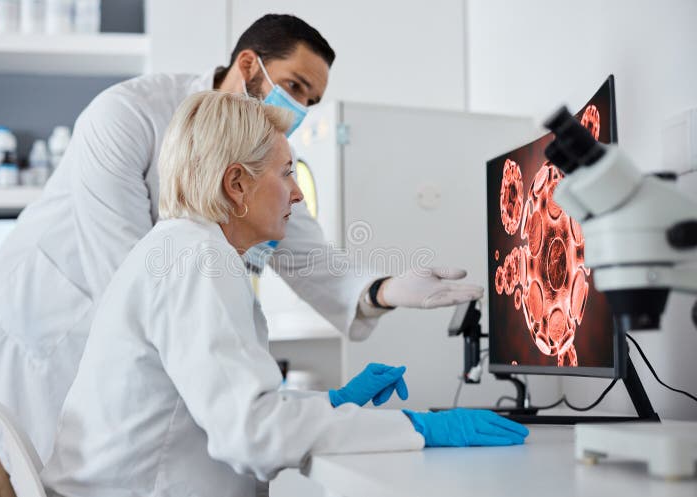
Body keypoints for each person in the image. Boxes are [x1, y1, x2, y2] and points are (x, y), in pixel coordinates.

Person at [0, 14, 484, 471]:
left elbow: (306, 253)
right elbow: (133, 276)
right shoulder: (129, 118)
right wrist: (411, 427)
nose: (300, 109)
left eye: (311, 100)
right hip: (42, 334)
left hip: (121, 384)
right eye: (294, 86)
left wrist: (385, 289)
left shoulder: (248, 174)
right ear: (248, 65)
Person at [41, 90, 528, 497]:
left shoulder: (184, 248)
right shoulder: (197, 260)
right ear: (236, 184)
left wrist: (333, 402)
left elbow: (235, 407)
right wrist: (419, 428)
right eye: (286, 173)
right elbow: (252, 433)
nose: (297, 194)